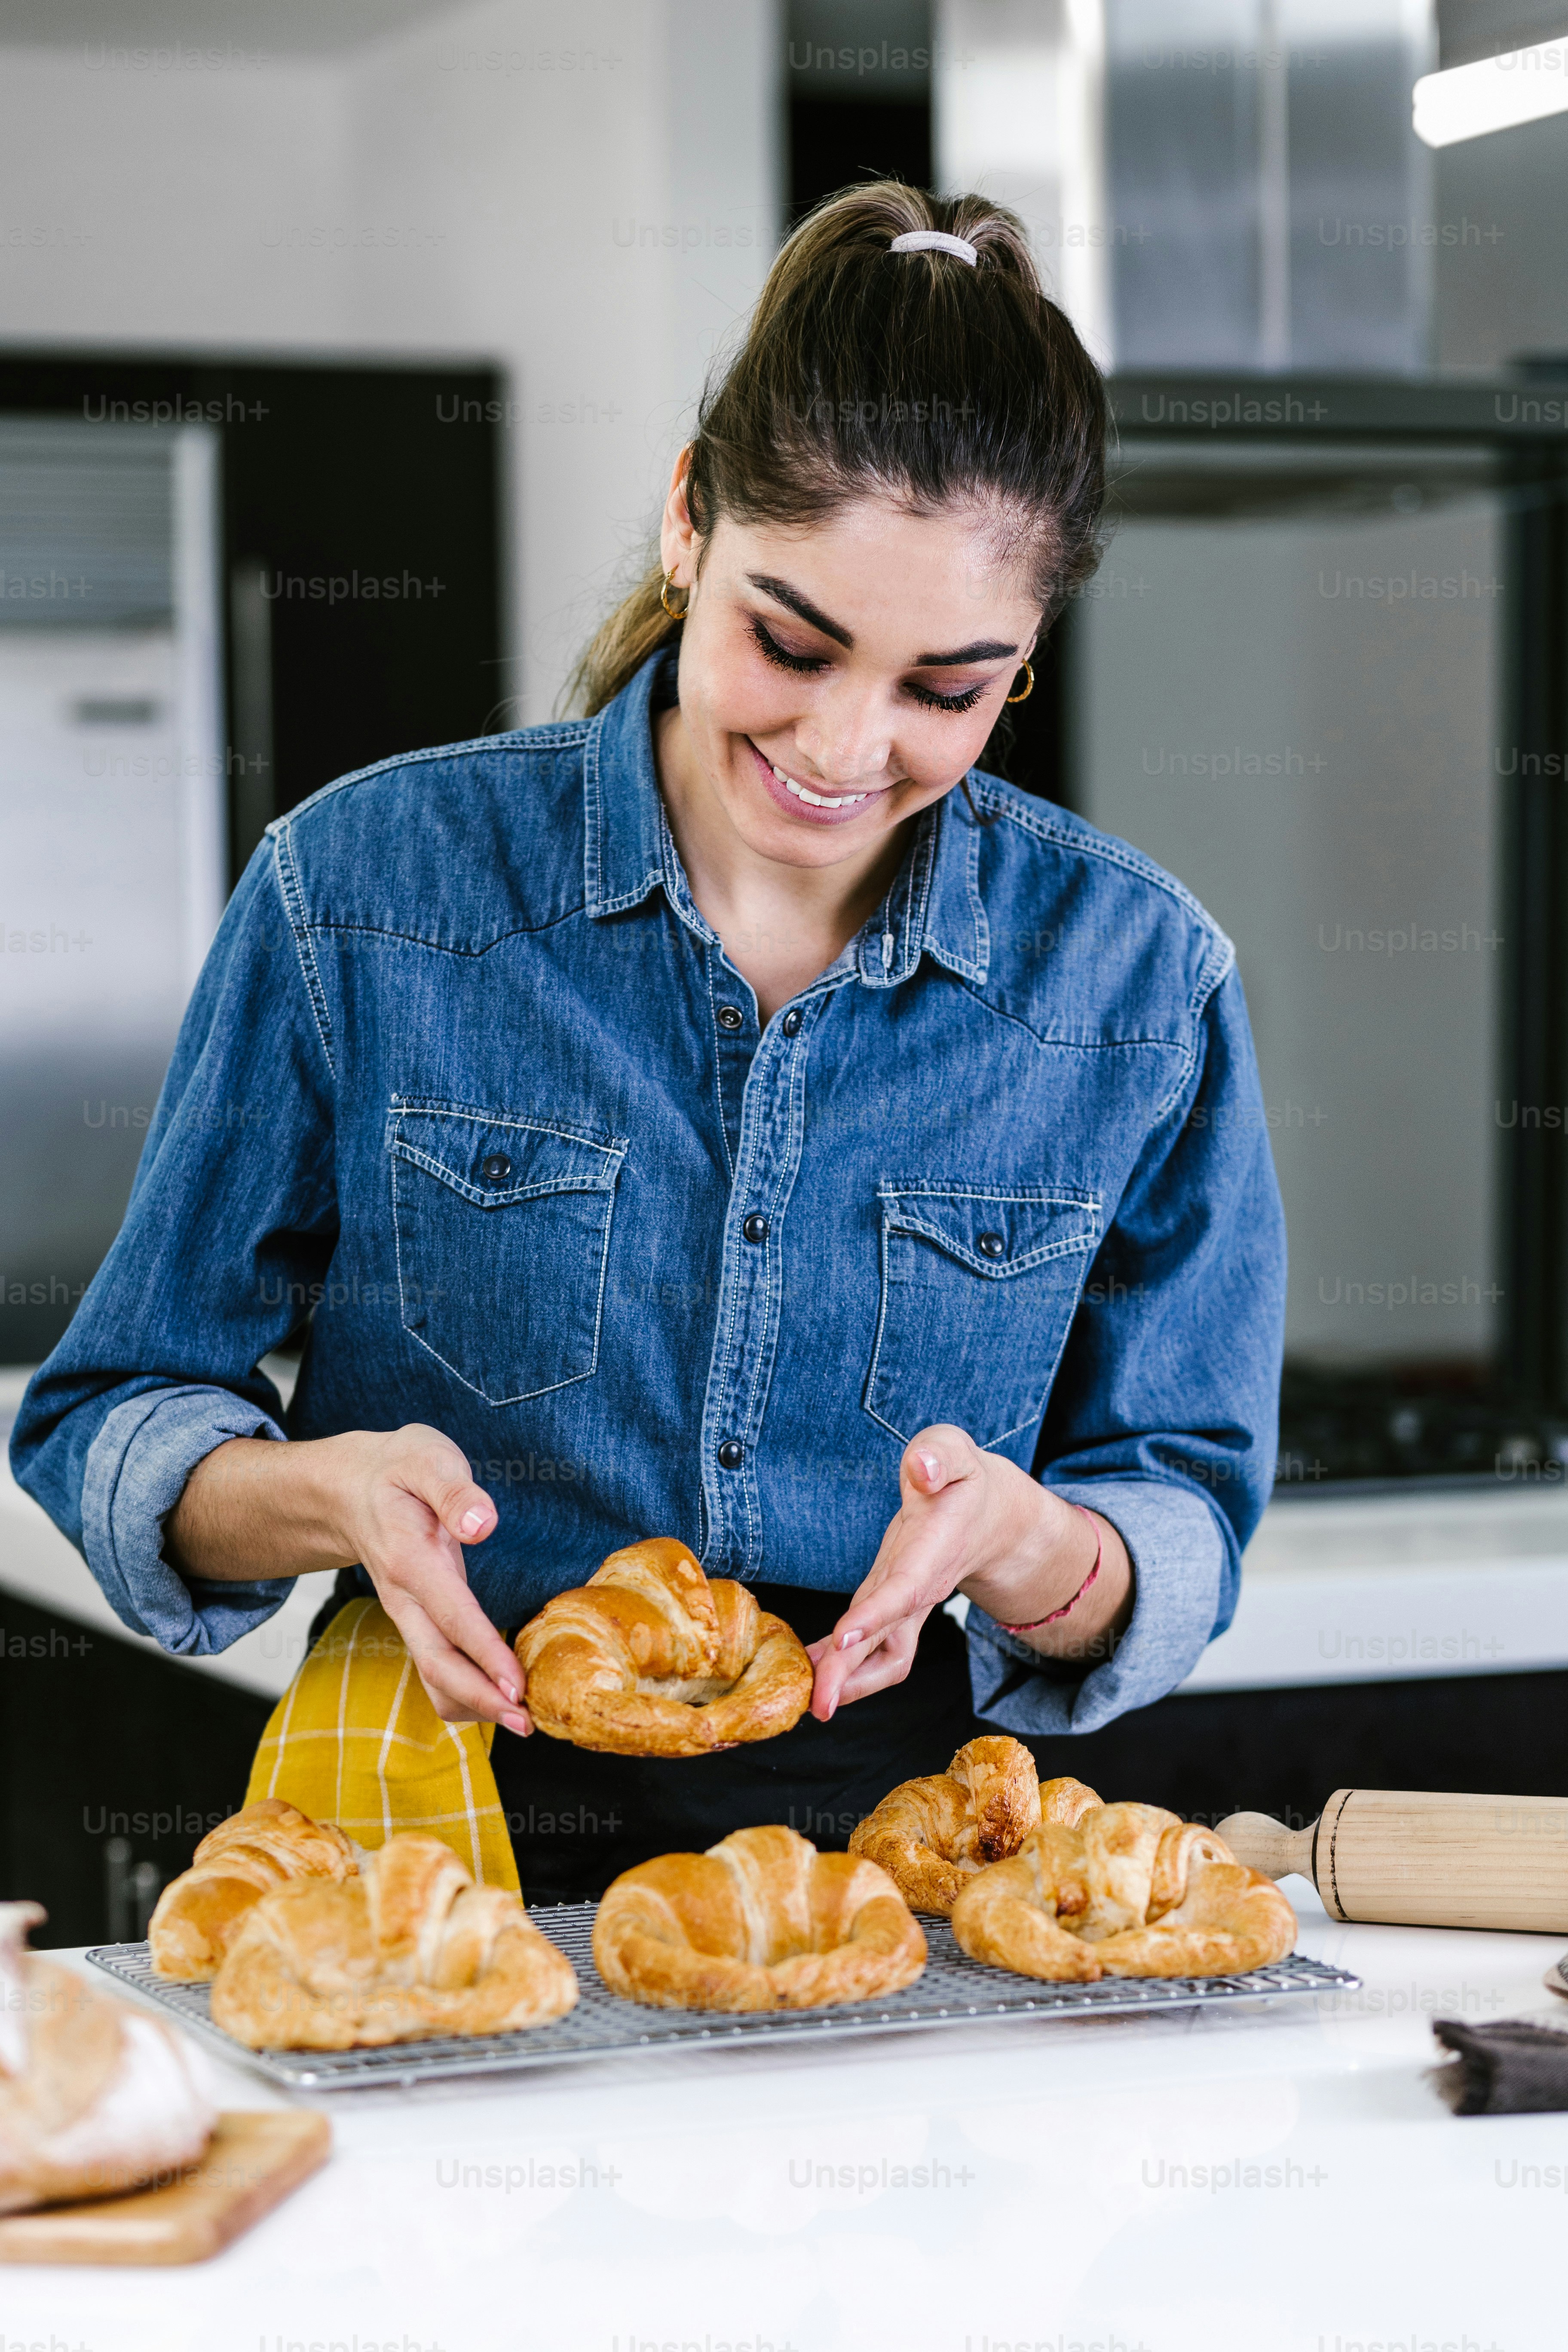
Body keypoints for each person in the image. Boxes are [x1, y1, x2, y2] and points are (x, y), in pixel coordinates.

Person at [12, 185, 1284, 1899]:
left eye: (946, 689)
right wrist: (335, 1497)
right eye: (791, 639)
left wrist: (1039, 1543)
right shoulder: (367, 895)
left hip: (899, 1893)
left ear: (1027, 654)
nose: (847, 746)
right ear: (690, 521)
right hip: (419, 1851)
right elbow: (112, 1411)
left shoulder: (1138, 985)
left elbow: (1183, 1506)